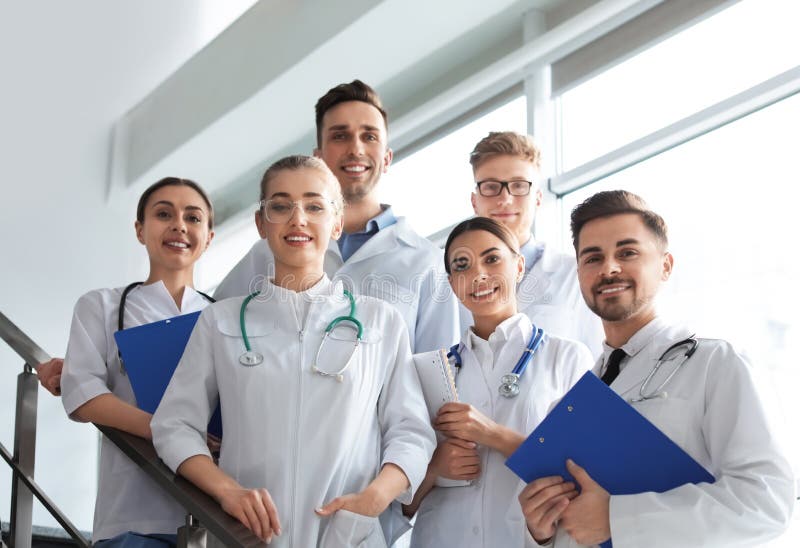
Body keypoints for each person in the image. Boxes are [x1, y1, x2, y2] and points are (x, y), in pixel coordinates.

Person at [151, 155, 435, 547]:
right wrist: (226, 491)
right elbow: (173, 426)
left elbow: (412, 433)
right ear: (261, 224)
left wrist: (377, 496)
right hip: (247, 536)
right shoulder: (222, 321)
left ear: (336, 222)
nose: (297, 219)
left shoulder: (381, 323)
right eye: (281, 206)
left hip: (347, 534)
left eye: (314, 206)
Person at [518, 190, 795, 547]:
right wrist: (541, 532)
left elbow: (767, 503)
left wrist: (617, 519)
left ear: (665, 266)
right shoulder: (570, 403)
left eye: (627, 252)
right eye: (592, 257)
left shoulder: (716, 364)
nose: (609, 268)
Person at [214, 80, 459, 353]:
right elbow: (214, 333)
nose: (355, 149)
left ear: (387, 158)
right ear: (317, 158)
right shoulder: (267, 253)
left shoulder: (428, 263)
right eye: (340, 136)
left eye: (369, 136)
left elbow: (440, 372)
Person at [403, 217, 594, 547]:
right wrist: (433, 469)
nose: (478, 275)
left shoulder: (567, 358)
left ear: (518, 266)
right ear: (452, 285)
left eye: (492, 259)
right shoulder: (428, 371)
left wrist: (491, 434)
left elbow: (582, 470)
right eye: (462, 265)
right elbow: (402, 505)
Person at [60, 177, 216, 547]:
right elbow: (82, 393)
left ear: (209, 237)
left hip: (213, 519)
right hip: (132, 515)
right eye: (164, 214)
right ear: (140, 229)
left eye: (193, 218)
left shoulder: (222, 318)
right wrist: (167, 430)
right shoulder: (101, 306)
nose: (179, 224)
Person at [467, 132, 602, 356]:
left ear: (538, 198)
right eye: (491, 187)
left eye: (519, 186)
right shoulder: (451, 281)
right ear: (474, 201)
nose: (505, 199)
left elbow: (599, 363)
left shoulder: (574, 275)